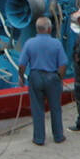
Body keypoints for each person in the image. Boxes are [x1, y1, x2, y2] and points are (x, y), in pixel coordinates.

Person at [18, 16, 68, 144]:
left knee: (37, 109)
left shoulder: (29, 43)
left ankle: (39, 138)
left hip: (35, 76)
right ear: (49, 29)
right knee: (55, 108)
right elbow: (63, 64)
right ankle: (58, 136)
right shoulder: (56, 43)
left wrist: (21, 77)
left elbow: (22, 64)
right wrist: (59, 77)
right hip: (52, 77)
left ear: (37, 29)